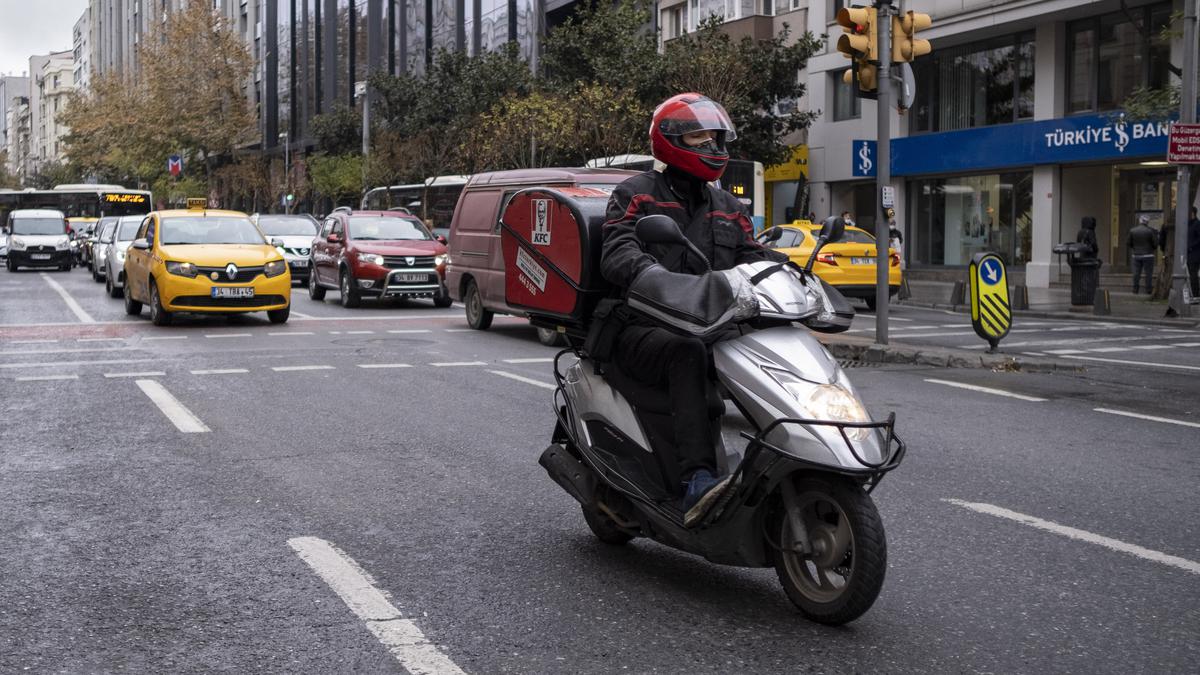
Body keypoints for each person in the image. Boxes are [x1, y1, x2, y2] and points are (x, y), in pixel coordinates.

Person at [599, 93, 787, 526]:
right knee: (688, 351)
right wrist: (656, 278)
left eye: (716, 138)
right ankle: (698, 479)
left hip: (713, 324)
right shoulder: (635, 195)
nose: (712, 148)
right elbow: (618, 252)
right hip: (641, 327)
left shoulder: (728, 207)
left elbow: (751, 254)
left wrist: (789, 271)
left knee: (769, 349)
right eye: (699, 137)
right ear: (669, 141)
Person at [1128, 215, 1157, 294]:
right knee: (1148, 273)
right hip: (1148, 255)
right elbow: (1155, 244)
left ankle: (1135, 289)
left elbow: (1129, 243)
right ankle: (1148, 289)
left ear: (1140, 221)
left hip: (1136, 255)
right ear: (1147, 222)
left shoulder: (1132, 231)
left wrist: (1135, 248)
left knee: (1136, 273)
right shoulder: (1151, 231)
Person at [1188, 206, 1200, 300]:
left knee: (1193, 275)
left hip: (1194, 254)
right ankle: (1192, 293)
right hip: (1188, 254)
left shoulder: (1197, 224)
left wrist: (1191, 246)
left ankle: (1196, 294)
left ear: (1193, 213)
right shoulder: (1189, 224)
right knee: (1190, 275)